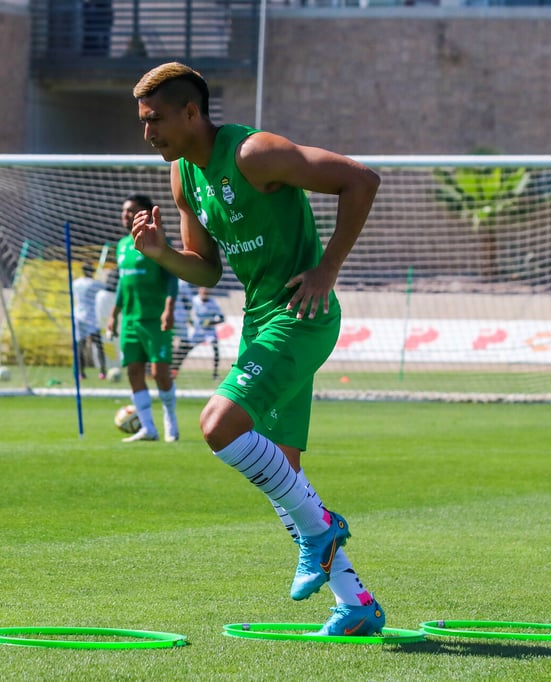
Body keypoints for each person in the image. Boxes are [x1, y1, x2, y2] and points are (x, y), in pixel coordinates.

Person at [130, 62, 384, 635]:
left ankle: (323, 530)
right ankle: (356, 602)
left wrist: (326, 269)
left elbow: (360, 179)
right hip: (260, 320)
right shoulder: (183, 179)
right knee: (285, 480)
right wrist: (159, 253)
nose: (147, 134)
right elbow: (205, 269)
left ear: (191, 112)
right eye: (142, 124)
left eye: (155, 121)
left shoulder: (254, 153)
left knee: (218, 425)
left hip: (301, 315)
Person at [105, 193, 180, 443]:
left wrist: (169, 308)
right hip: (130, 321)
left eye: (131, 211)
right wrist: (114, 315)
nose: (125, 215)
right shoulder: (122, 246)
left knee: (160, 373)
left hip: (155, 319)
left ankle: (170, 420)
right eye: (124, 211)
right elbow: (123, 283)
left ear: (145, 214)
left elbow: (171, 277)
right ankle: (148, 427)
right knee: (134, 372)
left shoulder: (158, 241)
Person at [72, 262, 107, 380]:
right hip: (91, 317)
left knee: (80, 346)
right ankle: (103, 371)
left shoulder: (76, 283)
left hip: (78, 316)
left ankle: (81, 373)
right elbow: (106, 288)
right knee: (98, 345)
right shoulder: (95, 284)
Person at [188, 286, 225, 380]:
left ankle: (215, 374)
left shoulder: (213, 303)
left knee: (216, 349)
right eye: (202, 290)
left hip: (210, 331)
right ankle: (175, 370)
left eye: (206, 291)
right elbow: (187, 310)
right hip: (198, 331)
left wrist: (211, 323)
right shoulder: (195, 300)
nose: (204, 293)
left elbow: (222, 318)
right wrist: (189, 320)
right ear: (199, 291)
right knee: (185, 349)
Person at [169, 278, 195, 377]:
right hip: (179, 317)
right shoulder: (182, 282)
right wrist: (188, 316)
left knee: (167, 342)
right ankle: (174, 368)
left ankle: (167, 367)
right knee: (185, 344)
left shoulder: (163, 277)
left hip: (164, 316)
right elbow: (190, 301)